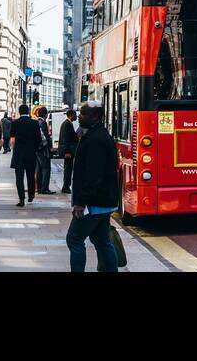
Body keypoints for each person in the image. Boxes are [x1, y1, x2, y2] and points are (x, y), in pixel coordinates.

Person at [66, 100, 120, 273]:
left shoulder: (96, 140)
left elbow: (93, 176)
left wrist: (81, 202)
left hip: (94, 203)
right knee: (102, 241)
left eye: (83, 114)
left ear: (95, 116)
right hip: (103, 201)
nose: (79, 117)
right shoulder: (96, 134)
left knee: (74, 238)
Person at [8, 104, 42, 207]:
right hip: (31, 154)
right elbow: (38, 139)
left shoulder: (15, 123)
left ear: (19, 111)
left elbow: (11, 135)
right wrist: (34, 150)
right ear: (28, 111)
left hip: (19, 154)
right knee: (30, 176)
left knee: (19, 177)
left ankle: (21, 199)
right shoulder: (34, 123)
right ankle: (31, 195)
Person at [58, 109, 80, 193]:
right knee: (68, 169)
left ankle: (66, 186)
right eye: (75, 115)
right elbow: (65, 139)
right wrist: (67, 152)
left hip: (68, 151)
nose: (76, 117)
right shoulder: (67, 124)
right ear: (70, 115)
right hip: (68, 151)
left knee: (68, 169)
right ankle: (66, 187)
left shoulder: (67, 123)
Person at [36, 106, 54, 194]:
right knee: (46, 168)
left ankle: (39, 188)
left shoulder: (36, 122)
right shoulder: (43, 123)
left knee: (39, 169)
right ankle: (45, 188)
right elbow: (45, 137)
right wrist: (50, 144)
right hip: (43, 149)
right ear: (46, 114)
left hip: (37, 149)